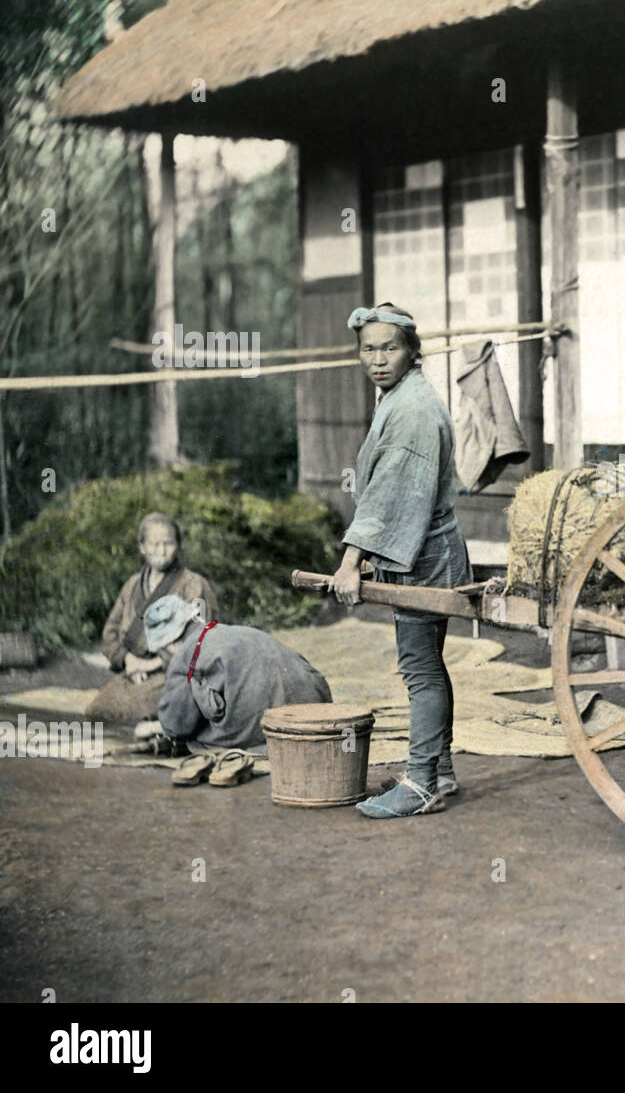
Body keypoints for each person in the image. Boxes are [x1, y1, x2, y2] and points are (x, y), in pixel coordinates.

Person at [330, 302, 471, 818]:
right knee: (429, 665)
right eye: (369, 349)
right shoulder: (400, 397)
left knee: (420, 671)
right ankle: (442, 770)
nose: (378, 359)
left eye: (390, 347)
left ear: (413, 352)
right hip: (427, 547)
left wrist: (351, 562)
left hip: (425, 555)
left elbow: (389, 497)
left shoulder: (411, 409)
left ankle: (421, 783)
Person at [144, 595, 332, 786]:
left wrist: (153, 727)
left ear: (170, 644)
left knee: (201, 741)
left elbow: (176, 725)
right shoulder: (233, 632)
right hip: (319, 707)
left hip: (282, 723)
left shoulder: (186, 653)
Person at [90, 512, 218, 722]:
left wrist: (151, 665)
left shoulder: (193, 584)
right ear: (142, 547)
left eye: (168, 544)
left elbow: (200, 642)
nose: (161, 551)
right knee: (98, 709)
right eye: (154, 544)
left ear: (177, 546)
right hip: (134, 671)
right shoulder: (133, 585)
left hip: (174, 674)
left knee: (134, 713)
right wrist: (128, 661)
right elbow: (110, 631)